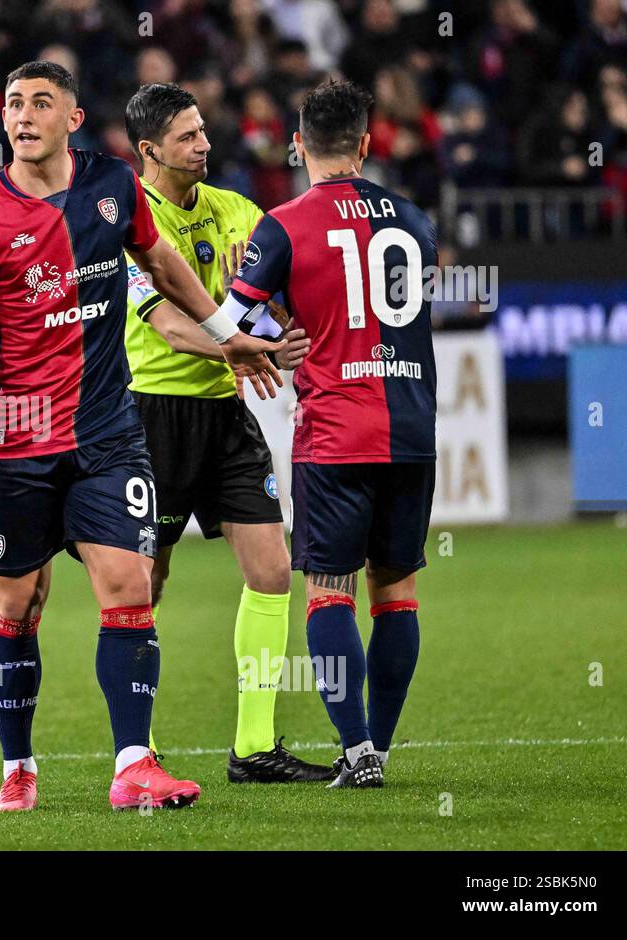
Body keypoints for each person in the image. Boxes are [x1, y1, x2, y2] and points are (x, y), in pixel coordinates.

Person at [0, 60, 284, 813]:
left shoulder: (113, 187)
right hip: (19, 439)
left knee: (126, 586)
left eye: (41, 103)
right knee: (18, 604)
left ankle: (132, 765)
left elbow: (162, 261)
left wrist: (228, 335)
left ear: (74, 119)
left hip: (108, 428)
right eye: (14, 104)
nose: (23, 115)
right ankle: (18, 766)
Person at [226, 79, 438, 788]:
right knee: (398, 590)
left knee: (327, 591)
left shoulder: (281, 224)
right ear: (367, 144)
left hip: (335, 433)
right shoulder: (413, 219)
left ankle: (354, 753)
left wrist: (274, 327)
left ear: (298, 143)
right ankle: (379, 744)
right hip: (410, 425)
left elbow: (234, 324)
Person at [120, 82, 333, 783]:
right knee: (144, 585)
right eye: (187, 136)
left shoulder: (236, 209)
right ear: (150, 150)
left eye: (204, 130)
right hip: (151, 417)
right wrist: (240, 347)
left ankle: (253, 748)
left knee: (273, 570)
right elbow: (168, 324)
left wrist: (277, 326)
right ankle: (138, 751)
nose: (205, 143)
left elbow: (280, 280)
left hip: (225, 415)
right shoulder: (124, 221)